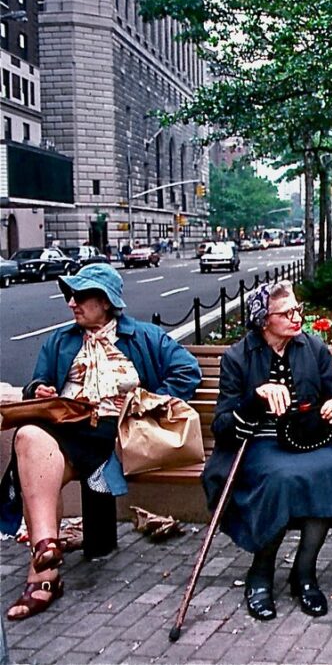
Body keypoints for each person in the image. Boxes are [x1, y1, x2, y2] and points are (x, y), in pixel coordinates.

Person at [2, 264, 201, 621]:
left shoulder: (144, 337)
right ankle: (46, 553)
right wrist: (40, 390)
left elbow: (188, 370)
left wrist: (150, 403)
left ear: (106, 302)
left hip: (117, 433)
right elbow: (38, 383)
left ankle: (41, 578)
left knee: (35, 457)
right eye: (69, 296)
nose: (71, 304)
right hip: (67, 428)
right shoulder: (60, 341)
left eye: (80, 296)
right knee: (29, 436)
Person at [203, 280, 332, 621]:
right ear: (263, 320)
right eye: (286, 313)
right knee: (279, 477)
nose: (296, 317)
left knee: (325, 470)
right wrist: (255, 398)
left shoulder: (314, 349)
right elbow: (223, 425)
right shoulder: (238, 357)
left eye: (297, 309)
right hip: (259, 442)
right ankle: (261, 572)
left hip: (310, 438)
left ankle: (305, 574)